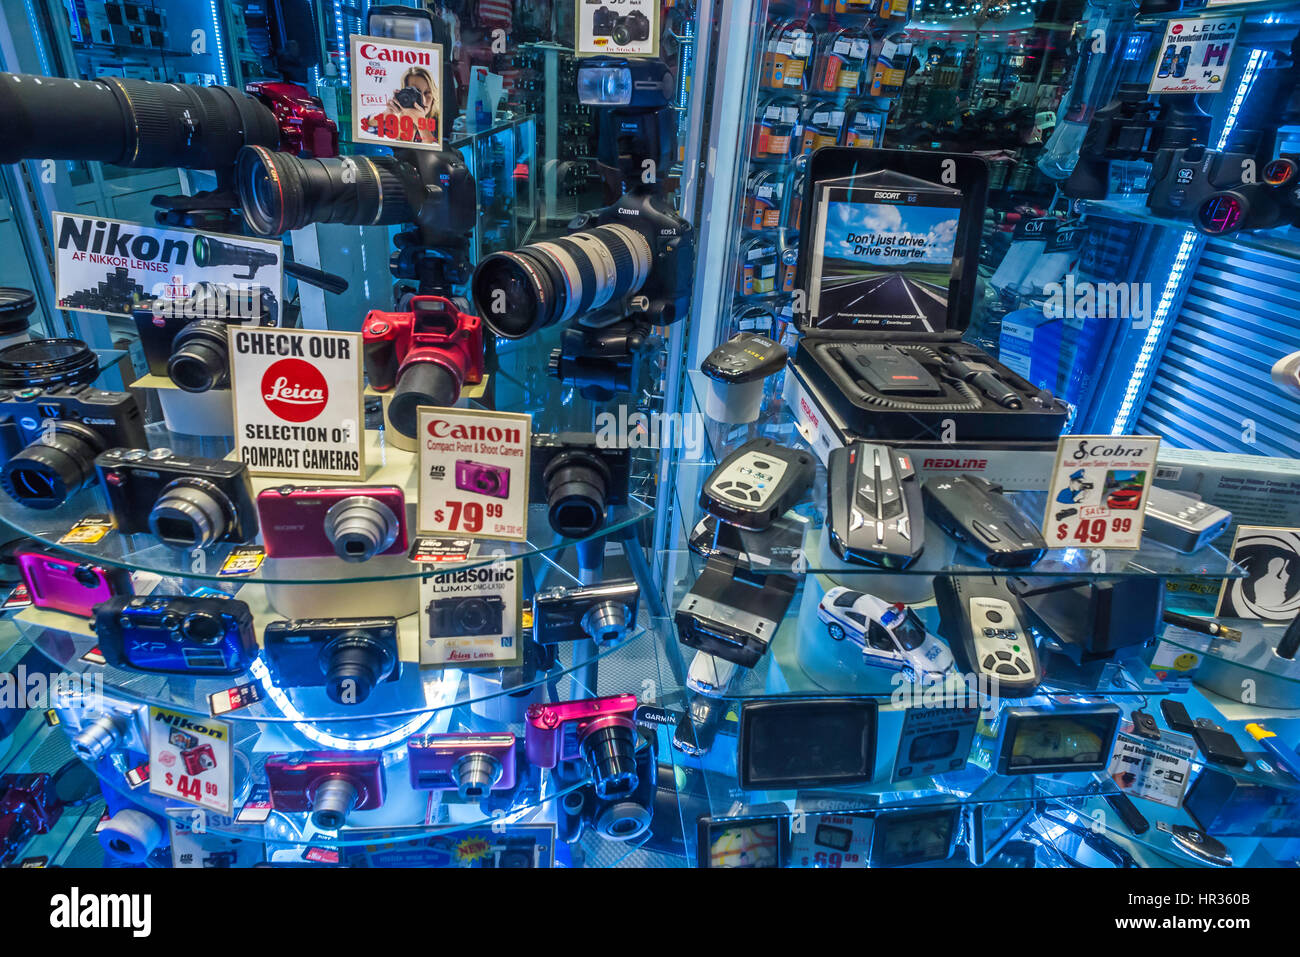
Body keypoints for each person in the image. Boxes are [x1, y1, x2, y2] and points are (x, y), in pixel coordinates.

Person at [379, 66, 440, 144]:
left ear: (433, 94)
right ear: (405, 93)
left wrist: (421, 124)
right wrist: (385, 115)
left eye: (427, 92)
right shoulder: (398, 119)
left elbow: (435, 151)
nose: (423, 100)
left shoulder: (441, 120)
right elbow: (367, 126)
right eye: (417, 93)